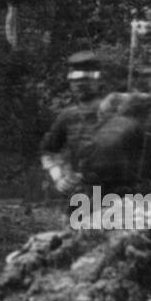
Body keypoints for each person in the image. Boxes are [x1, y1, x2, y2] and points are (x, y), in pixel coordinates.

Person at [39, 50, 106, 196]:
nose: (80, 84)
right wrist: (59, 178)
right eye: (76, 79)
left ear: (99, 81)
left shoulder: (116, 111)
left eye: (87, 79)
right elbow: (48, 151)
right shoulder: (68, 116)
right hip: (81, 194)